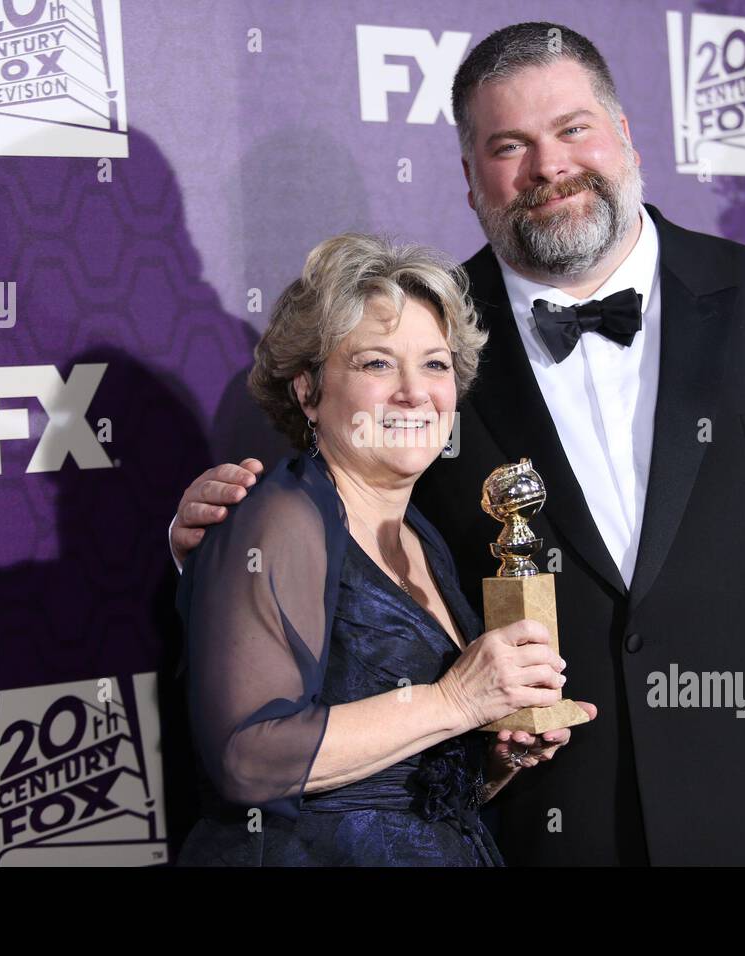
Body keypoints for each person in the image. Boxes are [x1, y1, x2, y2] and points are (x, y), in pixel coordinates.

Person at [172, 23, 745, 865]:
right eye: (509, 145)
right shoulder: (428, 346)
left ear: (626, 134)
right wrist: (220, 547)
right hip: (545, 837)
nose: (549, 166)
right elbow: (337, 549)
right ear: (467, 178)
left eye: (572, 129)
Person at [175, 231, 597, 866]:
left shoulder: (419, 534)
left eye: (434, 363)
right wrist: (456, 700)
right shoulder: (280, 518)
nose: (414, 391)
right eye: (375, 363)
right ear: (307, 391)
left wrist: (492, 756)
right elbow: (249, 760)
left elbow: (395, 794)